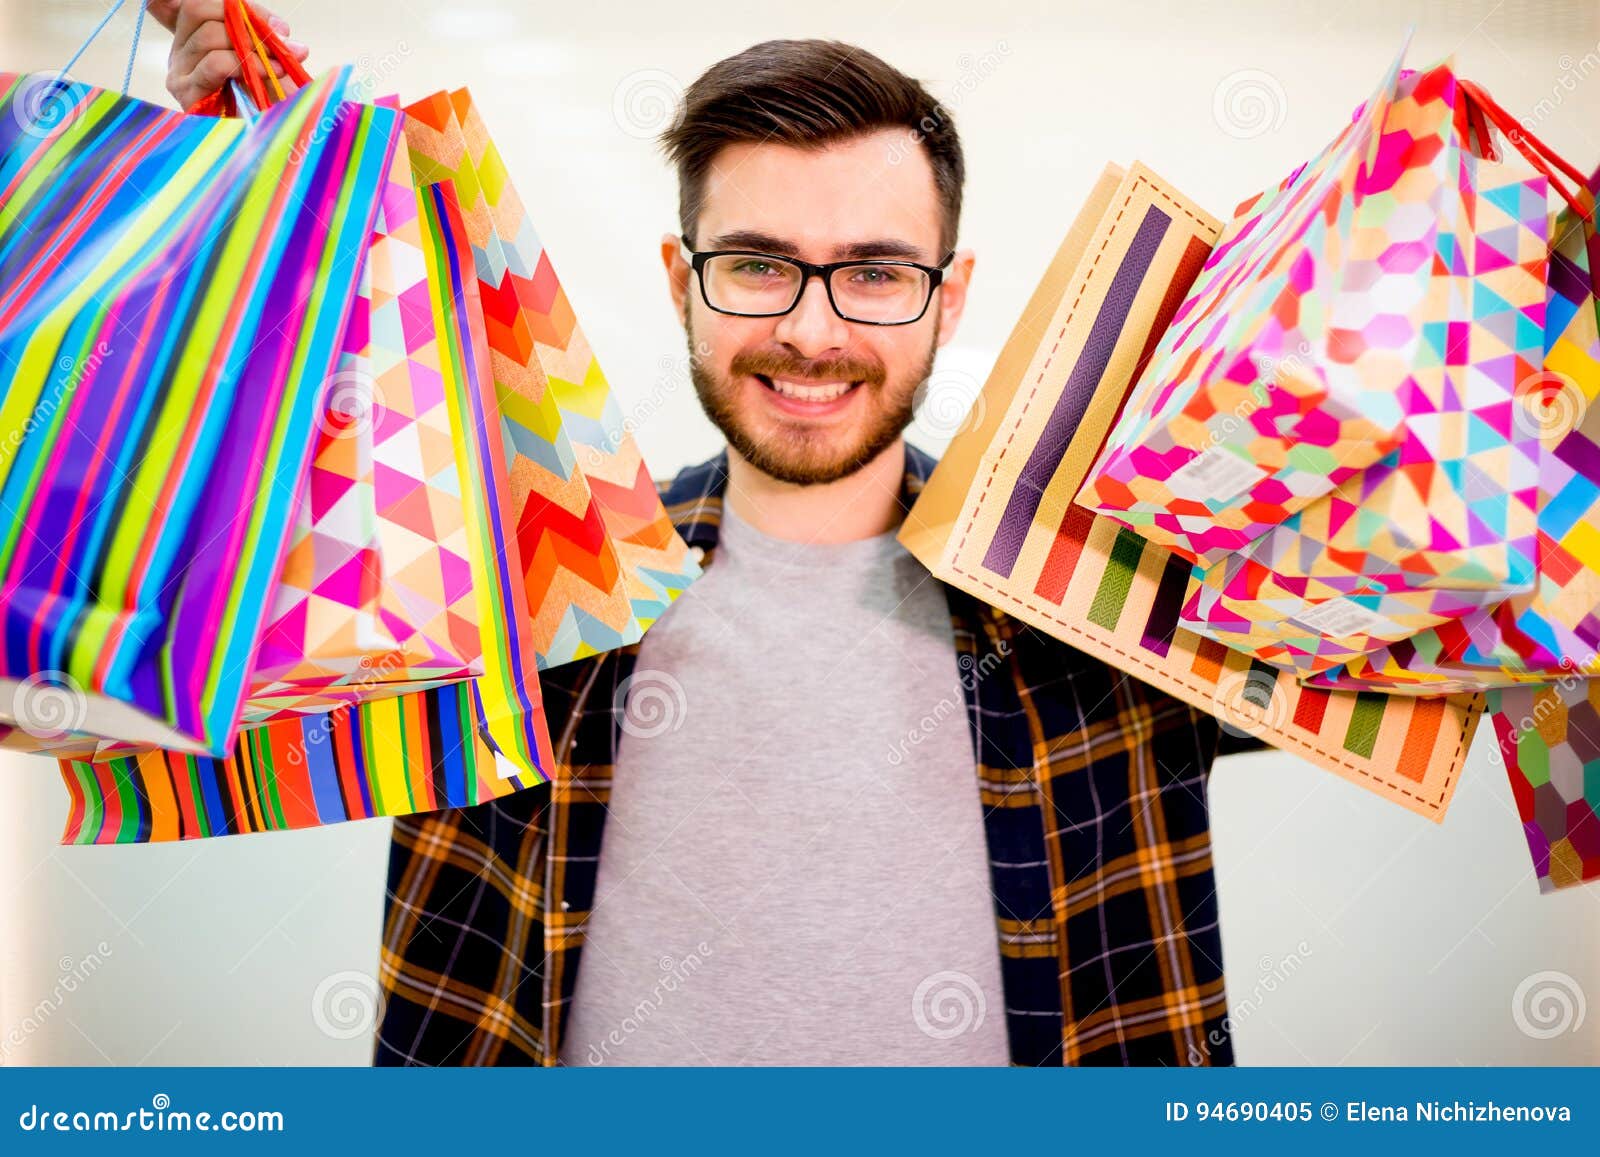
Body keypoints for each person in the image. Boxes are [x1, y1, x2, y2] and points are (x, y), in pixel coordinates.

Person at [160, 2, 1260, 1067]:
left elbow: (1367, 619)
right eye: (758, 265)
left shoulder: (1108, 602)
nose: (812, 332)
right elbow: (199, 600)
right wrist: (230, 202)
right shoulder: (511, 587)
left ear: (950, 297)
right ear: (681, 283)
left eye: (876, 273)